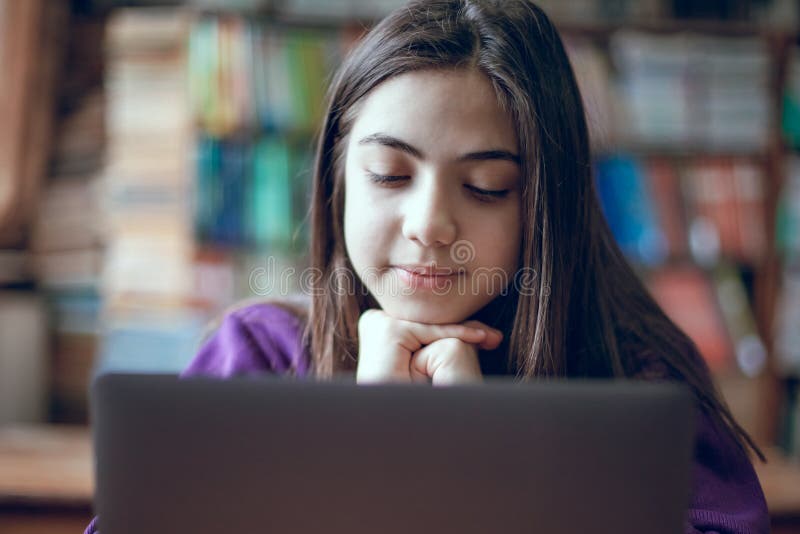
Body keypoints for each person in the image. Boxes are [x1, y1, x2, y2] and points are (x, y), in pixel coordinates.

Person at [85, 1, 770, 532]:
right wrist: (367, 430)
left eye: (486, 187)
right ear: (338, 182)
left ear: (544, 206)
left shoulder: (638, 380)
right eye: (389, 175)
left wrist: (481, 449)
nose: (431, 225)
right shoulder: (257, 356)